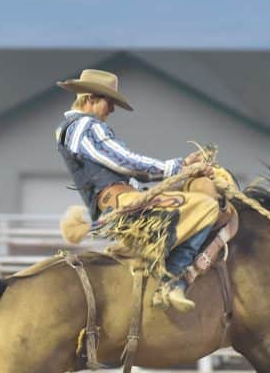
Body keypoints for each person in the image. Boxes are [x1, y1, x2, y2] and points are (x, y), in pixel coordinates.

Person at [54, 69, 220, 312]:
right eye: (109, 102)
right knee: (207, 206)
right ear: (90, 99)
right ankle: (172, 280)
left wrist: (181, 167)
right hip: (122, 201)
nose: (111, 110)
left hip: (116, 201)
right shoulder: (86, 126)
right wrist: (177, 166)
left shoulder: (72, 129)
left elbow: (130, 169)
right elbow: (122, 160)